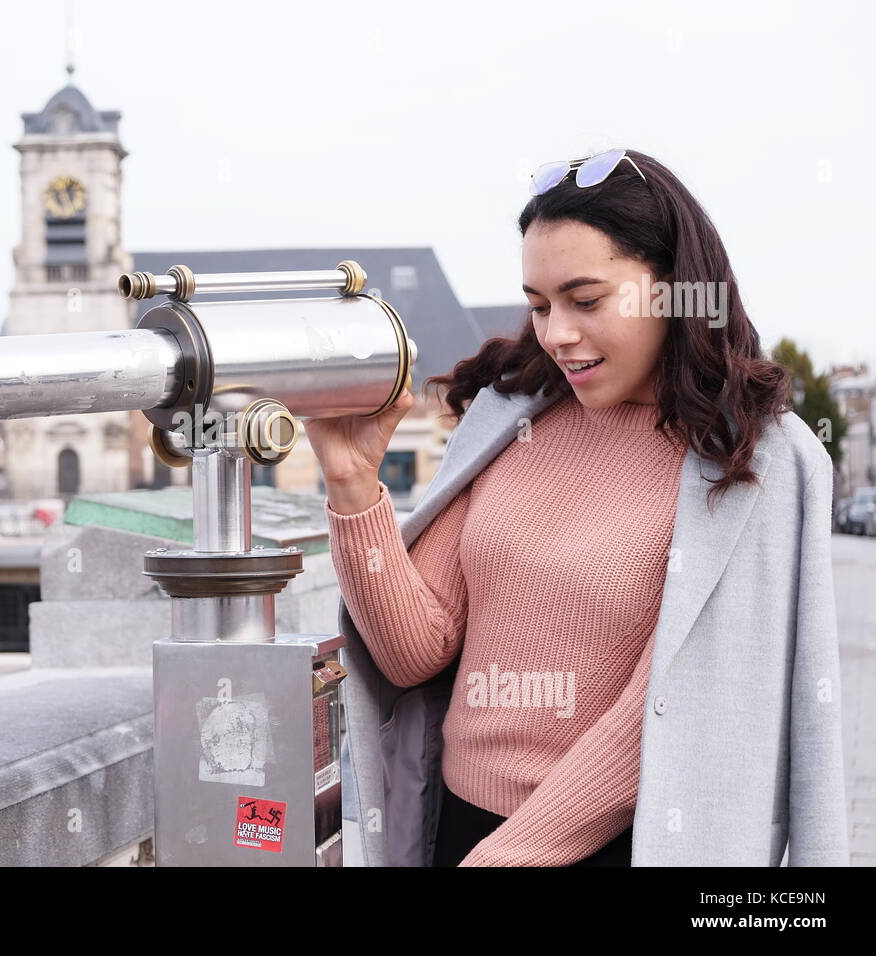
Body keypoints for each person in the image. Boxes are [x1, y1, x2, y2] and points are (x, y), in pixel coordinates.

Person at [306, 148, 839, 866]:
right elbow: (413, 654)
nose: (556, 333)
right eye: (538, 304)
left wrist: (509, 857)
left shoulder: (752, 460)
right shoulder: (509, 416)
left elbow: (661, 716)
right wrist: (353, 487)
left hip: (627, 848)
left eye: (586, 301)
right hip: (459, 830)